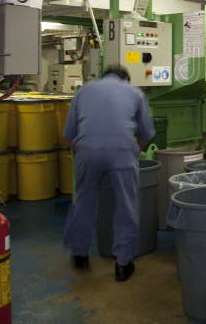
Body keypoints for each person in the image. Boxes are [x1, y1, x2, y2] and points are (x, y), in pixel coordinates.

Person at [62, 65, 155, 282]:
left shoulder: (83, 91)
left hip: (87, 151)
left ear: (103, 77)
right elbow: (147, 133)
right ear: (126, 79)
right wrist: (132, 151)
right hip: (122, 150)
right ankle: (123, 264)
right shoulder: (135, 93)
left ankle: (80, 255)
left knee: (84, 201)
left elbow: (68, 134)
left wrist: (86, 149)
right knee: (126, 205)